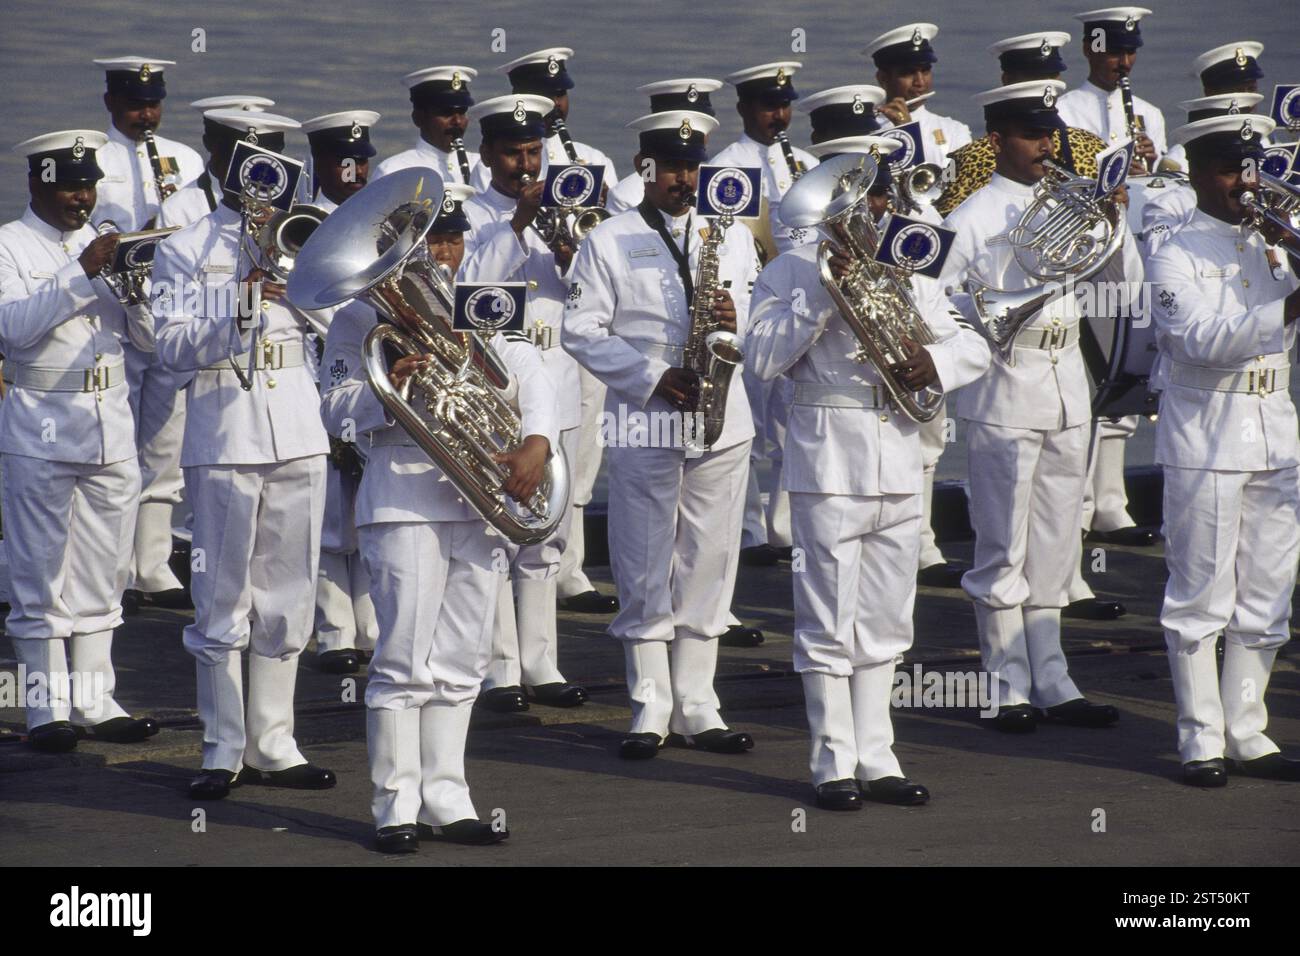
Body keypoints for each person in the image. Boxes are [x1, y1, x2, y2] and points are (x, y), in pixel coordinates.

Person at [748, 134, 991, 810]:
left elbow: (970, 342)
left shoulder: (908, 266)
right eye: (860, 198)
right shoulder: (792, 270)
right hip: (828, 461)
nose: (871, 210)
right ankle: (832, 761)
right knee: (827, 617)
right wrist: (828, 296)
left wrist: (935, 365)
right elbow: (761, 358)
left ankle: (878, 755)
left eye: (879, 196)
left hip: (900, 455)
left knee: (887, 617)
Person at [319, 173, 555, 852]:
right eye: (431, 240)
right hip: (402, 499)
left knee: (462, 655)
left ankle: (447, 798)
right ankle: (394, 804)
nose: (440, 253)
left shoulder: (476, 301)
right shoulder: (357, 317)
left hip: (476, 494)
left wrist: (536, 440)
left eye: (448, 239)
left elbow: (532, 372)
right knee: (402, 658)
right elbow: (334, 409)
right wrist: (392, 387)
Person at [941, 81, 1140, 733]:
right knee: (1002, 545)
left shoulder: (1074, 204)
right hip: (1005, 385)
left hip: (1066, 387)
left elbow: (1124, 289)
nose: (1045, 147)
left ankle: (1053, 676)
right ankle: (1005, 681)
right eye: (1032, 136)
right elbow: (939, 307)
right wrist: (990, 317)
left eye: (1050, 134)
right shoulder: (969, 218)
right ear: (997, 140)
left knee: (1057, 542)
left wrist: (1115, 221)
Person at [151, 109, 336, 800]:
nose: (261, 176)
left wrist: (301, 289)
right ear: (218, 158)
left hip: (298, 425)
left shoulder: (308, 232)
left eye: (271, 159)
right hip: (224, 428)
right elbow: (167, 349)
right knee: (222, 597)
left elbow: (345, 324)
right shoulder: (187, 243)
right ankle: (222, 747)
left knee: (289, 595)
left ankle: (274, 741)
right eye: (244, 158)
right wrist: (240, 304)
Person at [562, 109, 759, 759]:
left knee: (709, 559)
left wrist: (739, 318)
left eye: (691, 167)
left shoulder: (729, 235)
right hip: (646, 415)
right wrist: (651, 376)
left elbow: (764, 321)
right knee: (644, 560)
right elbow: (581, 331)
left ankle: (700, 703)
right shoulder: (610, 239)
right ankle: (650, 703)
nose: (684, 179)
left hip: (721, 419)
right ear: (645, 169)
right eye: (671, 168)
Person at [1147, 112, 1300, 787]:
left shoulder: (1275, 243)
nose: (1244, 183)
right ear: (1201, 172)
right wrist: (1292, 305)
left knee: (1267, 592)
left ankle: (1248, 730)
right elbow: (1200, 342)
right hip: (1207, 434)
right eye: (1230, 169)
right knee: (1201, 595)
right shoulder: (1173, 250)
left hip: (1275, 428)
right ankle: (1200, 739)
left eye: (1250, 168)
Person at [1, 129, 158, 753]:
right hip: (41, 420)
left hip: (109, 424)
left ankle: (95, 698)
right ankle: (44, 709)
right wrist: (80, 273)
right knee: (38, 569)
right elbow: (14, 330)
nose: (81, 198)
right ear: (37, 184)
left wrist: (136, 290)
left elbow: (147, 343)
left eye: (87, 185)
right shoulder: (10, 244)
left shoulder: (106, 241)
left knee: (104, 567)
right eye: (68, 186)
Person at [460, 93, 589, 712]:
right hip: (494, 386)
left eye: (534, 151)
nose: (526, 163)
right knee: (496, 530)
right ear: (486, 154)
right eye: (513, 152)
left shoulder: (566, 211)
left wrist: (573, 255)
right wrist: (517, 224)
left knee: (546, 535)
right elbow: (468, 288)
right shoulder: (469, 213)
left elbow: (588, 303)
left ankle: (542, 661)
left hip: (554, 384)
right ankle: (499, 670)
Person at [91, 57, 205, 612]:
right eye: (136, 105)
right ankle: (111, 566)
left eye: (154, 103)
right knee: (117, 440)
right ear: (111, 102)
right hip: (116, 312)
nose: (147, 114)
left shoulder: (183, 159)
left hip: (169, 306)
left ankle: (152, 563)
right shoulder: (91, 157)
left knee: (166, 439)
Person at [713, 61, 819, 568]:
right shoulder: (727, 164)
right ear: (745, 109)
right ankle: (749, 529)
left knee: (791, 418)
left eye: (783, 105)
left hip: (799, 304)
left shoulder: (806, 161)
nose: (778, 115)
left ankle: (783, 526)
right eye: (768, 106)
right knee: (749, 420)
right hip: (753, 303)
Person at [300, 110, 383, 674]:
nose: (354, 173)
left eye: (361, 162)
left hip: (367, 370)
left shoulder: (380, 224)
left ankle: (372, 628)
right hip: (316, 376)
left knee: (368, 506)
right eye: (342, 163)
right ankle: (334, 633)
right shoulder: (302, 227)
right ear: (321, 166)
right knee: (332, 519)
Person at [935, 32, 1108, 218]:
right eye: (1035, 78)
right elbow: (946, 223)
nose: (1045, 86)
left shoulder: (1094, 148)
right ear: (1006, 81)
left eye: (1051, 77)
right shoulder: (970, 159)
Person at [495, 47, 618, 191]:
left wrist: (606, 204)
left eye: (560, 93)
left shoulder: (596, 160)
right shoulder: (496, 166)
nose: (555, 103)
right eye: (545, 95)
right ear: (519, 97)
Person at [863, 23, 972, 168]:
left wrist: (907, 130)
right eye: (908, 72)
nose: (920, 82)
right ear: (883, 78)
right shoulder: (864, 130)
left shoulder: (954, 131)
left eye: (925, 71)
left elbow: (955, 184)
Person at [161, 96, 277, 228]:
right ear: (211, 145)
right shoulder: (178, 207)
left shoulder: (285, 202)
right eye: (237, 157)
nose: (247, 165)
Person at [372, 66, 480, 185]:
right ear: (418, 118)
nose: (458, 121)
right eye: (446, 112)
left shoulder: (483, 167)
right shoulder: (393, 170)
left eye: (462, 112)